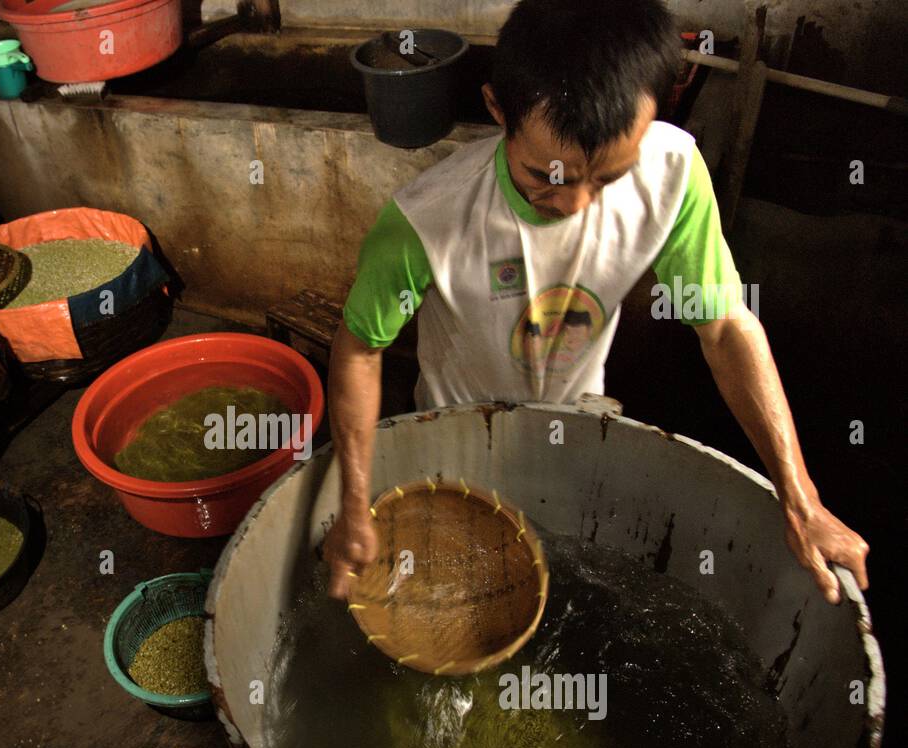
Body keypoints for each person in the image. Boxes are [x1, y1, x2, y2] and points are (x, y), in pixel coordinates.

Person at [325, 0, 869, 605]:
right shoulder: (427, 219)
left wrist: (801, 497)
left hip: (579, 435)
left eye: (607, 178)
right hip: (456, 448)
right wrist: (355, 503)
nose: (576, 204)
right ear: (497, 108)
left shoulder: (673, 173)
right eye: (545, 177)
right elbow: (360, 349)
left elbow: (723, 328)